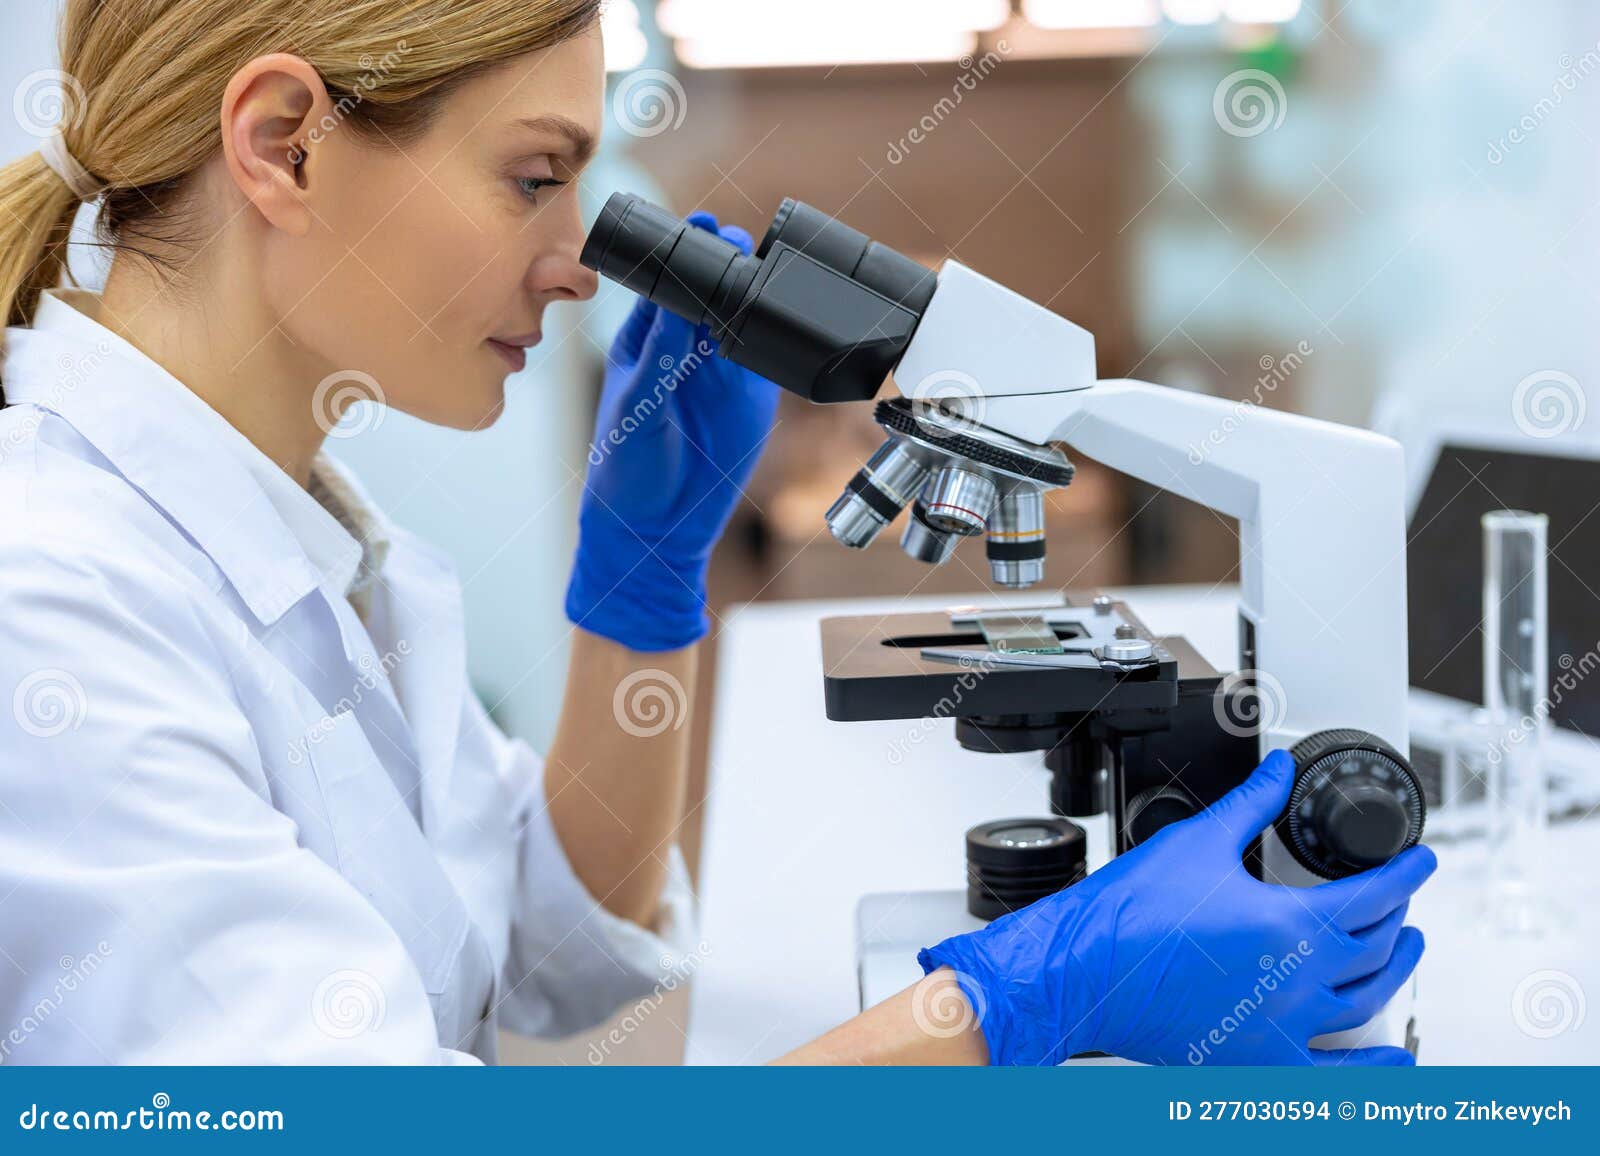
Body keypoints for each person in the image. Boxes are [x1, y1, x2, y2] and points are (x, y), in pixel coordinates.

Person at [0, 0, 1436, 1066]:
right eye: (531, 176)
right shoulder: (52, 611)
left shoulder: (318, 538)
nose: (574, 259)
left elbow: (555, 944)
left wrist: (644, 584)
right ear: (284, 147)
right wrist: (1011, 1003)